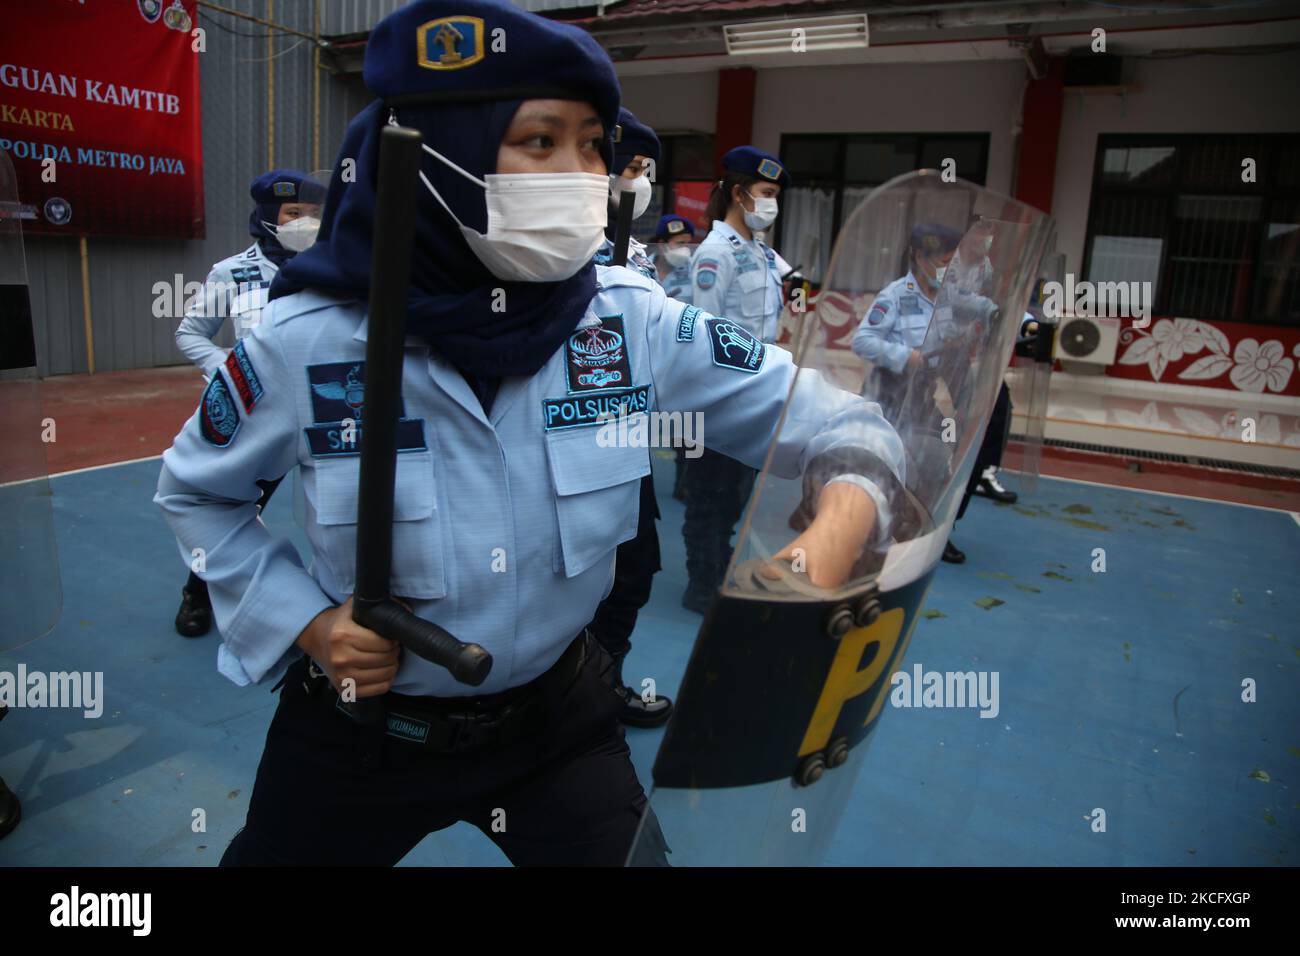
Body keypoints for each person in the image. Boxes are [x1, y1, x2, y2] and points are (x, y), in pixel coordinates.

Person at [155, 0, 904, 867]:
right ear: (439, 155)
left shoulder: (627, 321)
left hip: (557, 728)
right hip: (361, 733)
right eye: (542, 142)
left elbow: (842, 423)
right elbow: (197, 495)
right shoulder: (305, 341)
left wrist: (828, 540)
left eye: (594, 144)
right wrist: (310, 625)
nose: (584, 174)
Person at [171, 171, 322, 637]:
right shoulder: (232, 272)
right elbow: (189, 333)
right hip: (261, 417)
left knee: (344, 509)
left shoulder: (337, 268)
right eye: (293, 214)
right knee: (231, 507)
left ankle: (346, 602)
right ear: (267, 217)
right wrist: (232, 375)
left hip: (328, 412)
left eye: (314, 214)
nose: (305, 223)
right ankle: (197, 595)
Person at [676, 146, 795, 613]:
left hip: (756, 396)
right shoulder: (714, 253)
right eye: (767, 193)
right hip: (723, 398)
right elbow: (706, 334)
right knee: (709, 497)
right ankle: (701, 586)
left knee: (734, 496)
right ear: (740, 194)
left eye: (776, 195)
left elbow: (795, 290)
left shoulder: (762, 253)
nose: (772, 203)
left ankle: (719, 567)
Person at [586, 109, 672, 728]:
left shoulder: (637, 257)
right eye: (631, 168)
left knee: (634, 571)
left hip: (628, 442)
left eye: (645, 171)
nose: (638, 182)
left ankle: (603, 685)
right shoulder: (532, 247)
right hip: (562, 442)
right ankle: (559, 696)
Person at [851, 222, 968, 563]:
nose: (948, 269)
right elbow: (863, 341)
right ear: (919, 256)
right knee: (886, 461)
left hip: (924, 391)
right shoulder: (894, 296)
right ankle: (875, 531)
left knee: (934, 462)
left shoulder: (948, 296)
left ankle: (929, 530)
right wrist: (906, 357)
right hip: (889, 389)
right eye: (943, 261)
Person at [593, 108, 658, 279]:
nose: (642, 182)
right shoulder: (572, 250)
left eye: (646, 172)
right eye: (634, 169)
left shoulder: (635, 252)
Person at [650, 214, 695, 303]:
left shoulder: (693, 268)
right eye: (680, 243)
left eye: (688, 244)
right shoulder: (641, 268)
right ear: (662, 245)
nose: (685, 249)